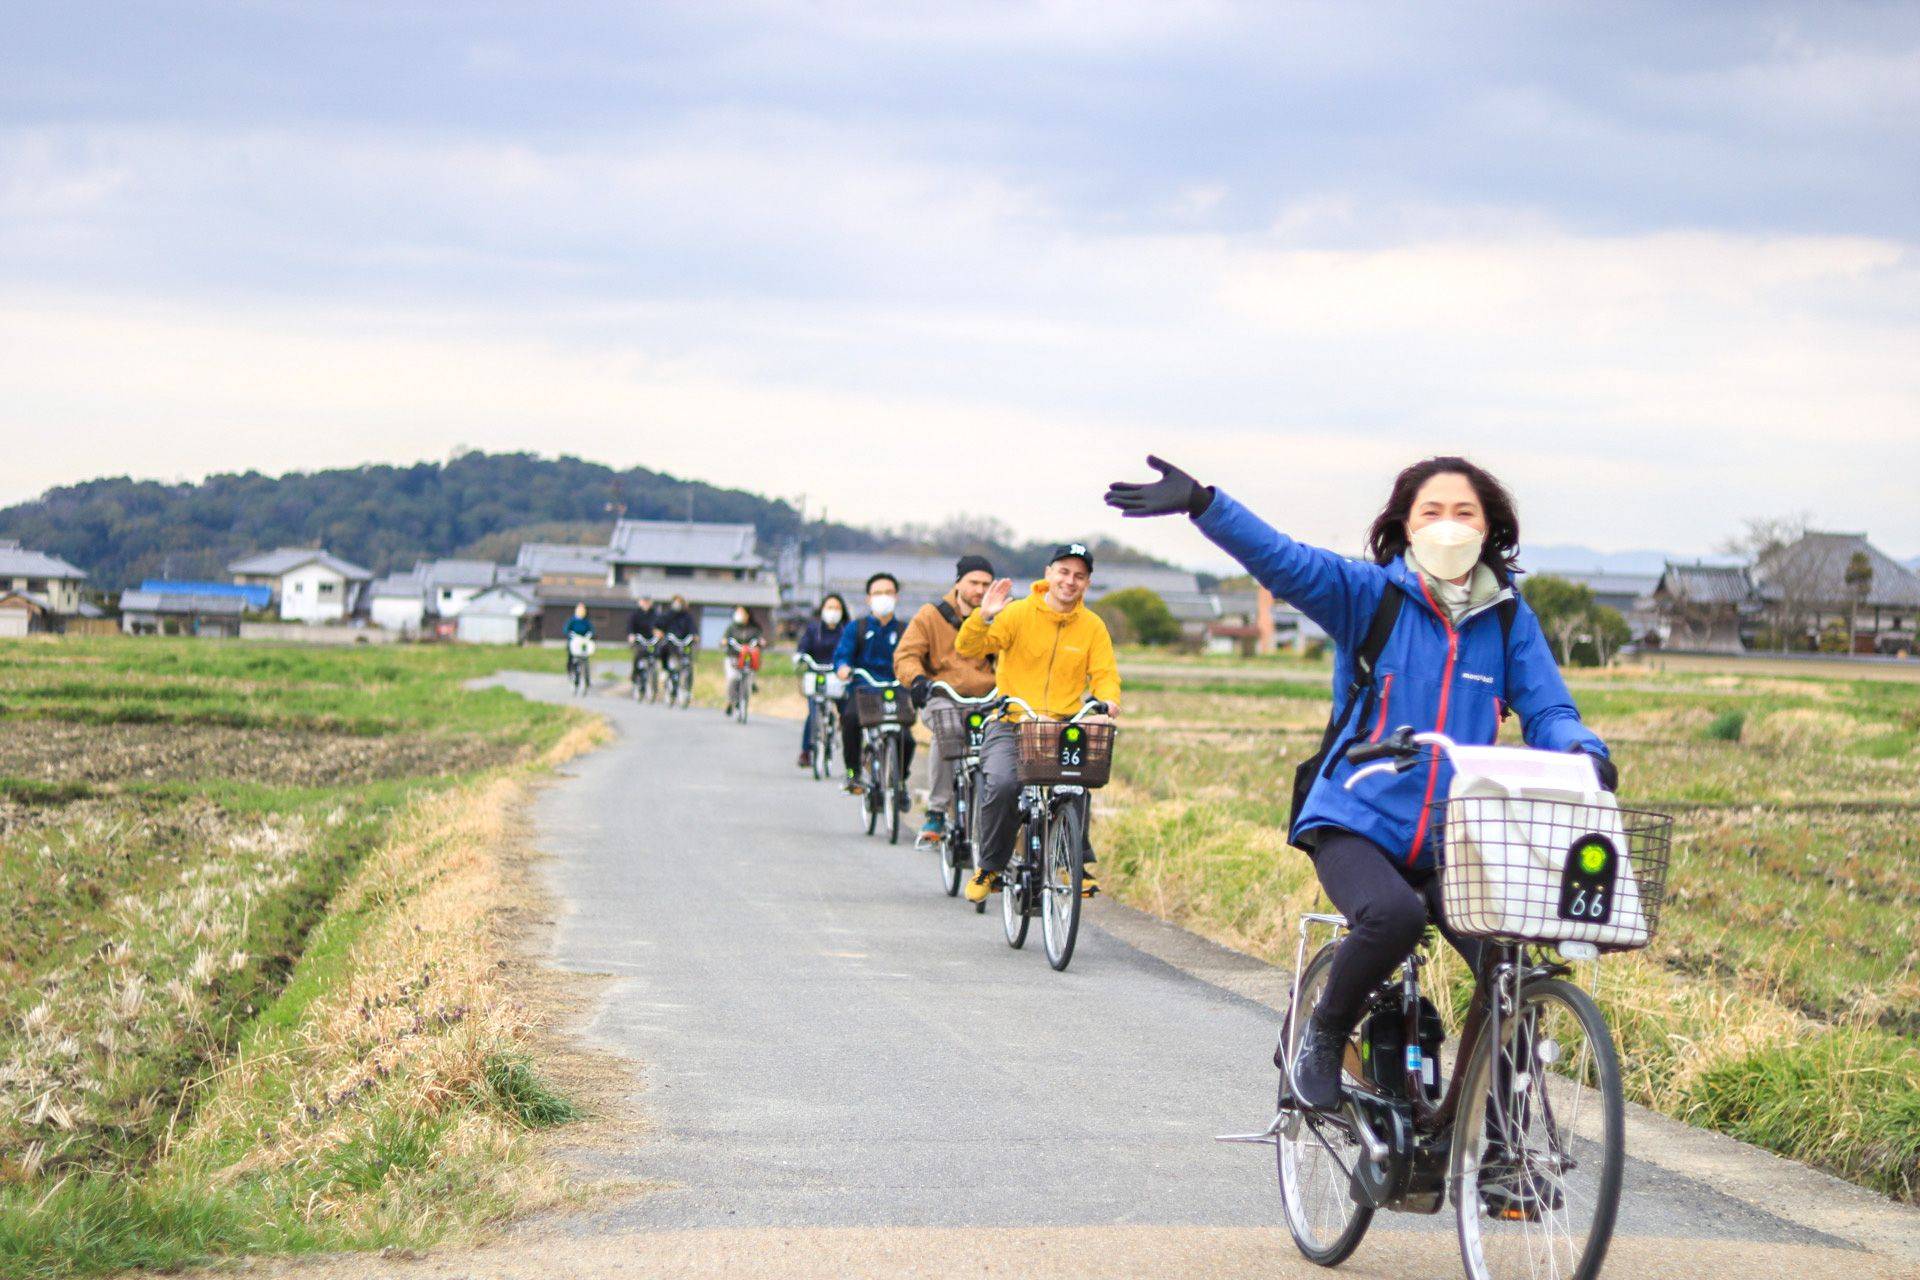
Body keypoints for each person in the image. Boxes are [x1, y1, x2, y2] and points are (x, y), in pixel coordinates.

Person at [1103, 455, 1615, 1123]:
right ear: (1406, 525)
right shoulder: (1370, 596)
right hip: (1356, 817)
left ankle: (1491, 1131)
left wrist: (1582, 753)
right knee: (1394, 917)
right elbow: (1282, 561)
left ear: (1490, 528)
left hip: (1453, 834)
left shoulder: (1509, 619)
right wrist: (1204, 504)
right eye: (1432, 511)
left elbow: (1549, 709)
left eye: (1465, 512)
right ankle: (1321, 1033)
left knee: (1507, 960)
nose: (1449, 525)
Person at [954, 544, 1121, 903]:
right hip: (1013, 721)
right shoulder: (1017, 613)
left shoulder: (1093, 627)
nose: (1070, 581)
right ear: (1048, 574)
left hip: (1062, 725)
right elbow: (969, 647)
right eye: (1064, 572)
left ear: (1087, 583)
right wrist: (983, 617)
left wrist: (1108, 701)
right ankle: (990, 866)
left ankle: (1070, 863)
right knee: (1002, 784)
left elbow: (1105, 674)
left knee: (1077, 784)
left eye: (1079, 576)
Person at [893, 556, 996, 846]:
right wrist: (917, 680)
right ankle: (937, 811)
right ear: (958, 583)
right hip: (942, 695)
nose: (980, 590)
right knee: (946, 729)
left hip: (987, 697)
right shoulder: (931, 615)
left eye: (986, 584)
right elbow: (906, 655)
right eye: (974, 582)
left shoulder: (997, 616)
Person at [833, 572, 912, 799]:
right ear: (868, 598)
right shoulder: (856, 628)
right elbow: (842, 655)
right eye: (878, 593)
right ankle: (853, 772)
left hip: (896, 691)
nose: (883, 597)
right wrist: (843, 667)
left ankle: (899, 781)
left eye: (888, 592)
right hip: (863, 690)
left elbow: (916, 656)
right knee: (849, 719)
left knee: (907, 739)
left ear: (896, 596)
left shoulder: (905, 630)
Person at [794, 594, 849, 768]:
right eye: (829, 607)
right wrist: (801, 656)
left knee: (847, 713)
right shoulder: (814, 629)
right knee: (814, 711)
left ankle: (852, 752)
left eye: (837, 608)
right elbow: (803, 647)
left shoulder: (847, 630)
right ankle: (806, 751)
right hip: (816, 673)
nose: (833, 611)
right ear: (823, 609)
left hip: (838, 676)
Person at [722, 608, 765, 717]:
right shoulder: (731, 628)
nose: (739, 615)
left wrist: (761, 642)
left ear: (748, 615)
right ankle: (731, 701)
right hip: (733, 657)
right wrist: (725, 641)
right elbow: (724, 639)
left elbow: (760, 639)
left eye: (742, 613)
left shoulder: (754, 629)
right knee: (733, 678)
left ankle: (749, 690)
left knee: (749, 676)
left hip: (748, 658)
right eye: (738, 613)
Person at [659, 595, 698, 693]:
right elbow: (660, 625)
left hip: (684, 642)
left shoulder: (687, 616)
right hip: (671, 642)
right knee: (664, 650)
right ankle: (665, 670)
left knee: (688, 663)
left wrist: (695, 635)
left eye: (680, 602)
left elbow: (692, 628)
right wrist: (659, 632)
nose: (678, 605)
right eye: (676, 602)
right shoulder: (668, 615)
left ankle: (687, 687)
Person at [627, 594, 662, 686]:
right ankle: (635, 675)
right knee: (638, 656)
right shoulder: (635, 614)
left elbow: (659, 625)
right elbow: (630, 626)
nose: (646, 603)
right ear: (640, 602)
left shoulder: (655, 614)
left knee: (657, 654)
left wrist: (659, 632)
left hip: (652, 640)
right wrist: (631, 635)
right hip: (639, 639)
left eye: (648, 601)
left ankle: (656, 677)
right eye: (644, 601)